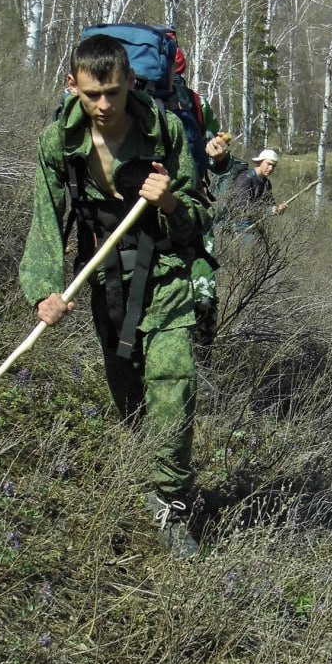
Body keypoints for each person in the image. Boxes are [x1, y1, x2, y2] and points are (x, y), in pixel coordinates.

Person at [19, 33, 208, 558]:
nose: (104, 106)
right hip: (104, 281)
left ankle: (171, 502)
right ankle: (144, 468)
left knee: (174, 380)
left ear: (130, 84)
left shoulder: (164, 130)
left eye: (115, 94)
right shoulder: (58, 142)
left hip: (166, 272)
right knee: (128, 393)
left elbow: (197, 216)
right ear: (72, 87)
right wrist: (43, 292)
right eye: (92, 95)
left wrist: (170, 200)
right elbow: (45, 224)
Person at [231, 147, 288, 223]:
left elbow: (269, 202)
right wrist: (268, 210)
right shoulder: (245, 178)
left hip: (255, 224)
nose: (270, 168)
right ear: (260, 162)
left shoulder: (266, 183)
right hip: (238, 223)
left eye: (273, 166)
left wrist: (278, 209)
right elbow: (242, 207)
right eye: (268, 164)